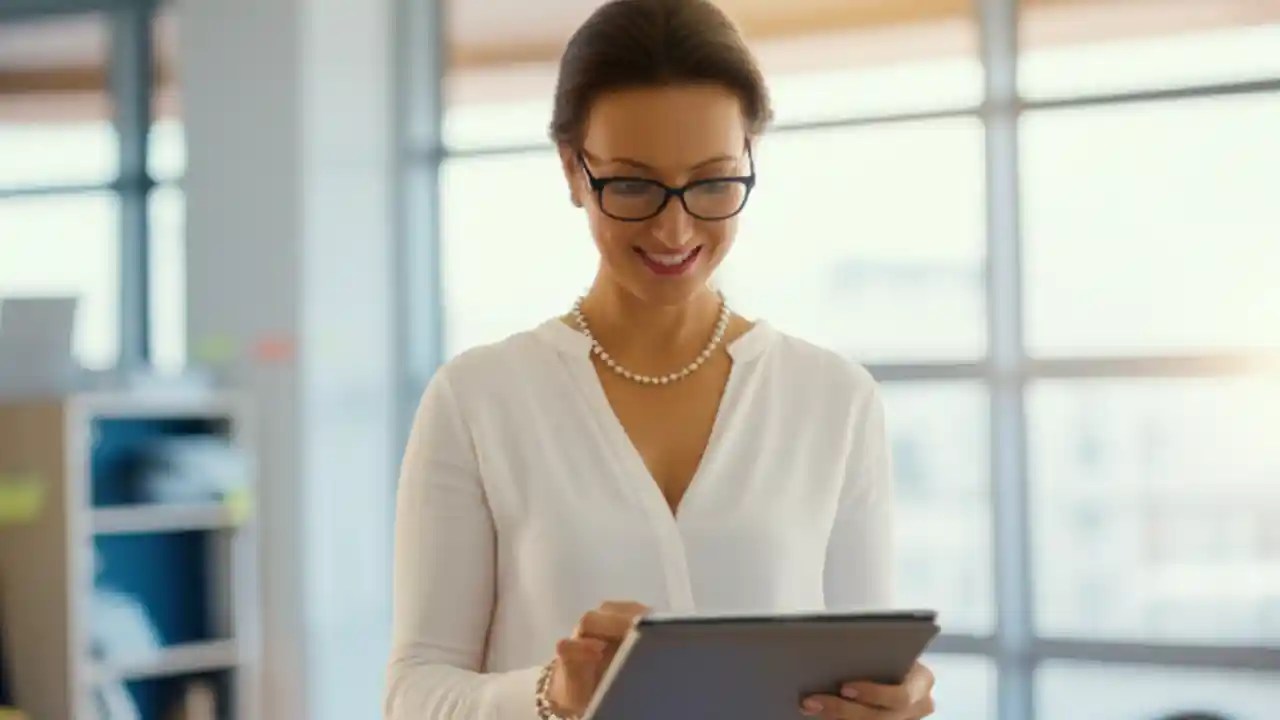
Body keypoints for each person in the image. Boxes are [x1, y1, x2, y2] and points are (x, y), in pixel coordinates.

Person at [384, 0, 936, 718]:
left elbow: (857, 673)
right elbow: (414, 692)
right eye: (633, 185)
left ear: (749, 159)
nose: (675, 228)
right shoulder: (478, 399)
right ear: (572, 170)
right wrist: (553, 695)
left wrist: (887, 705)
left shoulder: (833, 397)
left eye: (712, 181)